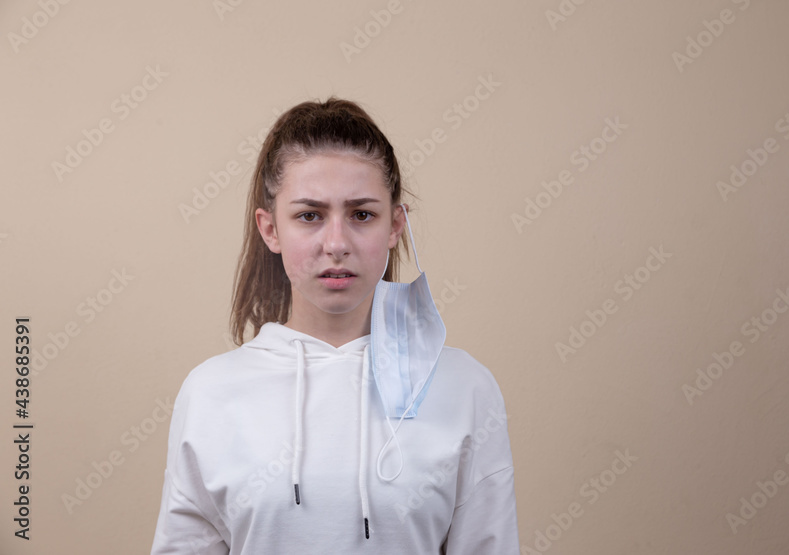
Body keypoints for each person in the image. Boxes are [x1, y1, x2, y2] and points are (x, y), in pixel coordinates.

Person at [150, 97, 519, 554]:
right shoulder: (210, 392)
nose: (337, 243)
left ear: (395, 225)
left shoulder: (466, 389)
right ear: (271, 230)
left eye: (362, 214)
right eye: (310, 215)